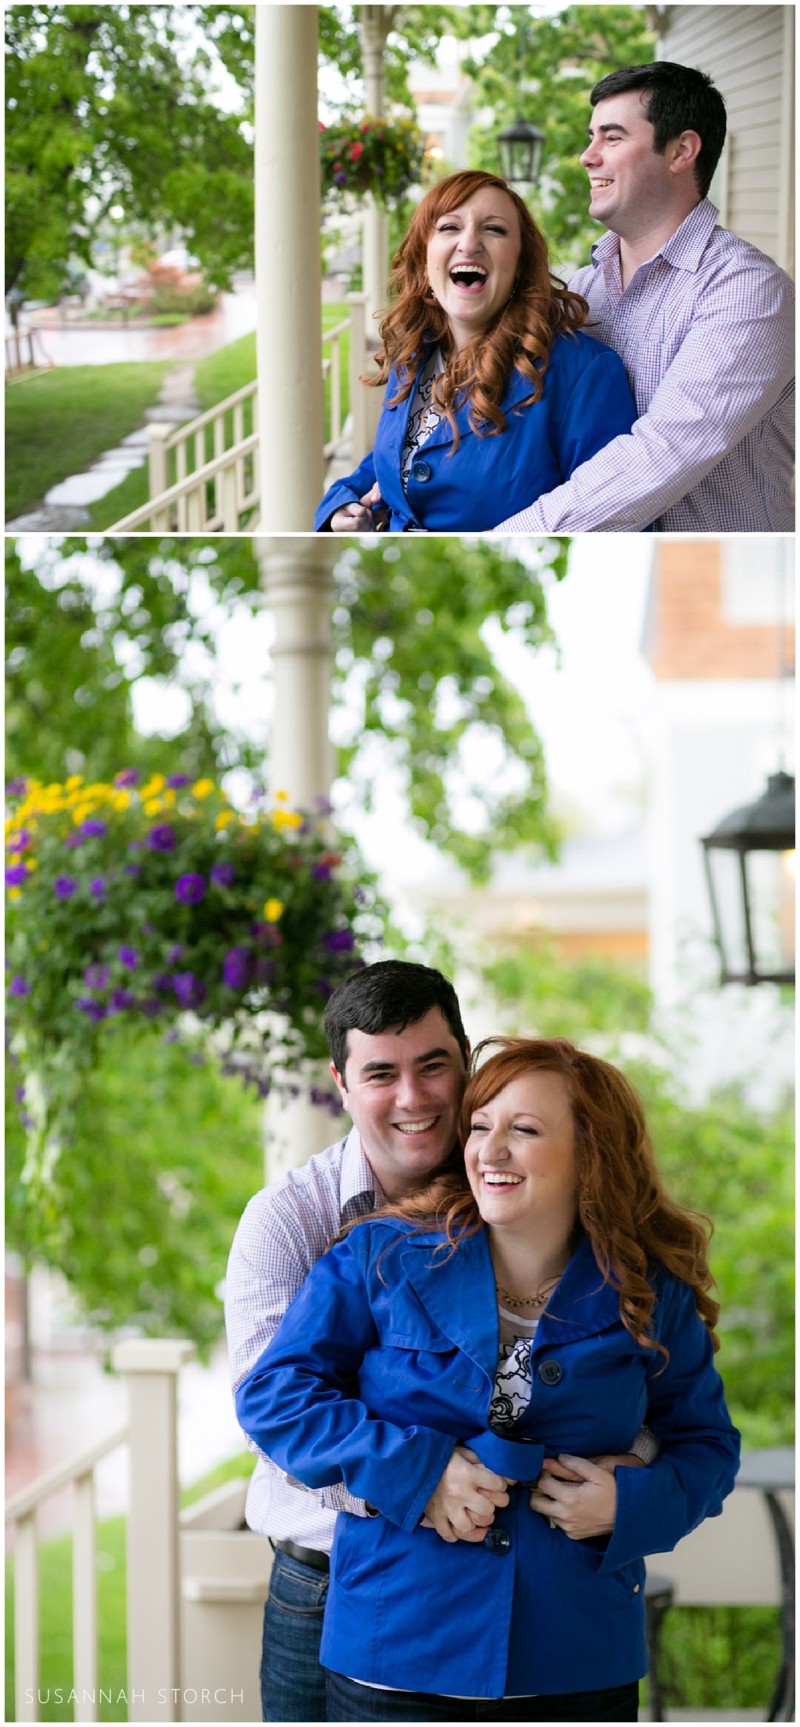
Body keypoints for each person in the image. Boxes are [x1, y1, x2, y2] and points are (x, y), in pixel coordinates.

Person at [235, 1035, 740, 1722]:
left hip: (578, 1656)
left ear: (590, 1152)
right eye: (479, 1126)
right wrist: (416, 1469)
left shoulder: (650, 1292)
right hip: (396, 1644)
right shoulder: (381, 1256)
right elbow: (275, 1395)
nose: (489, 1150)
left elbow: (707, 1444)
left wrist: (631, 1504)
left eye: (524, 1130)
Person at [496, 61, 795, 534]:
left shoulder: (746, 290)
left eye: (612, 138)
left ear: (681, 151)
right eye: (591, 138)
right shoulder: (582, 291)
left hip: (711, 564)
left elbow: (659, 455)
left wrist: (508, 537)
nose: (587, 156)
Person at [314, 170, 637, 533]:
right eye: (449, 227)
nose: (469, 244)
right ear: (425, 261)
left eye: (494, 229)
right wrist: (342, 504)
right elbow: (392, 457)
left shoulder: (582, 373)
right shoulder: (414, 355)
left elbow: (614, 520)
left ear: (520, 265)